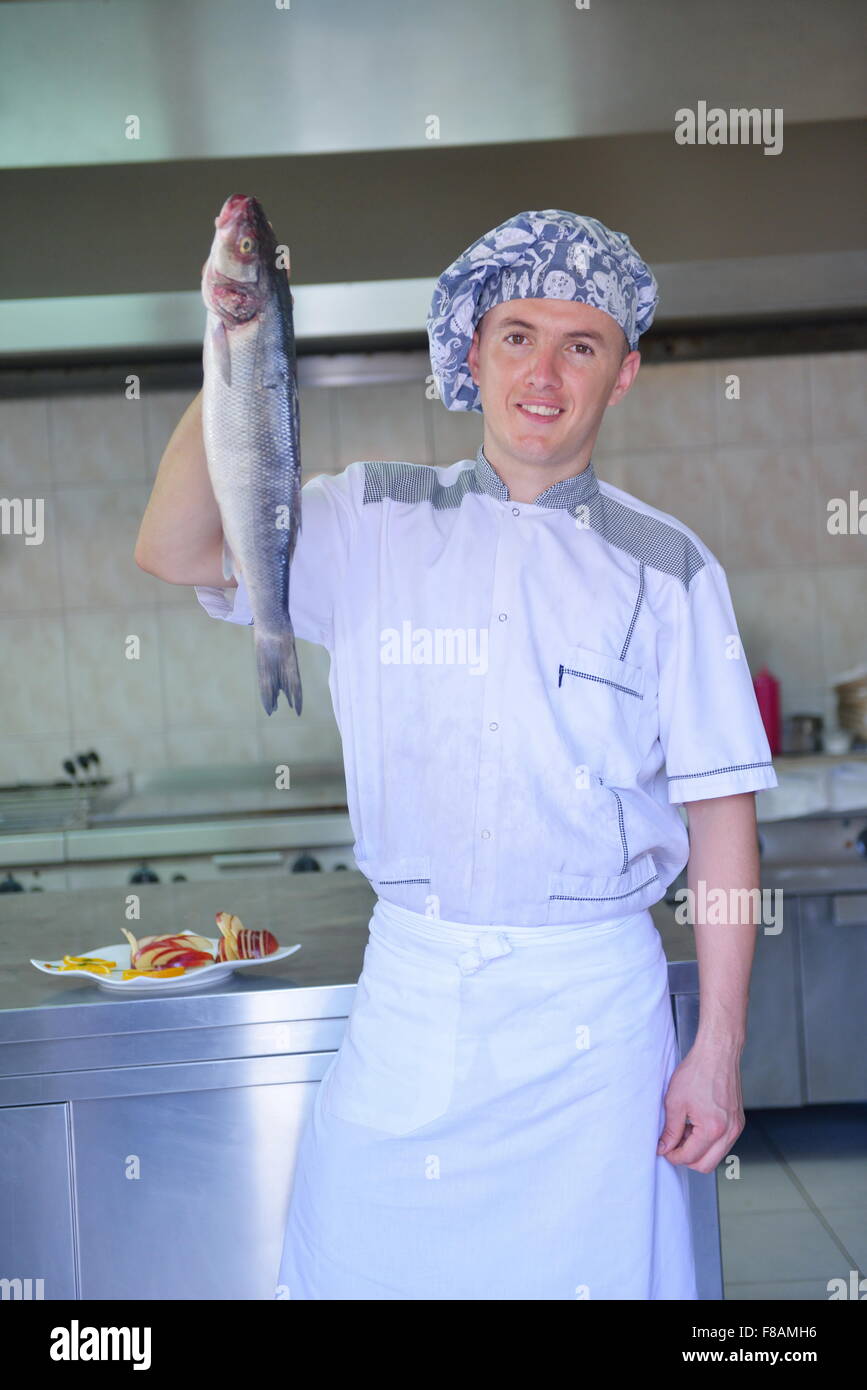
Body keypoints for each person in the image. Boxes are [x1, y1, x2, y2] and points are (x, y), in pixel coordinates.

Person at [135, 209, 778, 1300]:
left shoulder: (672, 572)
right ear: (471, 355)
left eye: (583, 345)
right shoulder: (372, 519)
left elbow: (722, 825)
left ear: (622, 375)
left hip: (594, 1033)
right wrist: (237, 353)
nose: (544, 372)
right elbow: (175, 547)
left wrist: (716, 1051)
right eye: (517, 335)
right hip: (414, 1009)